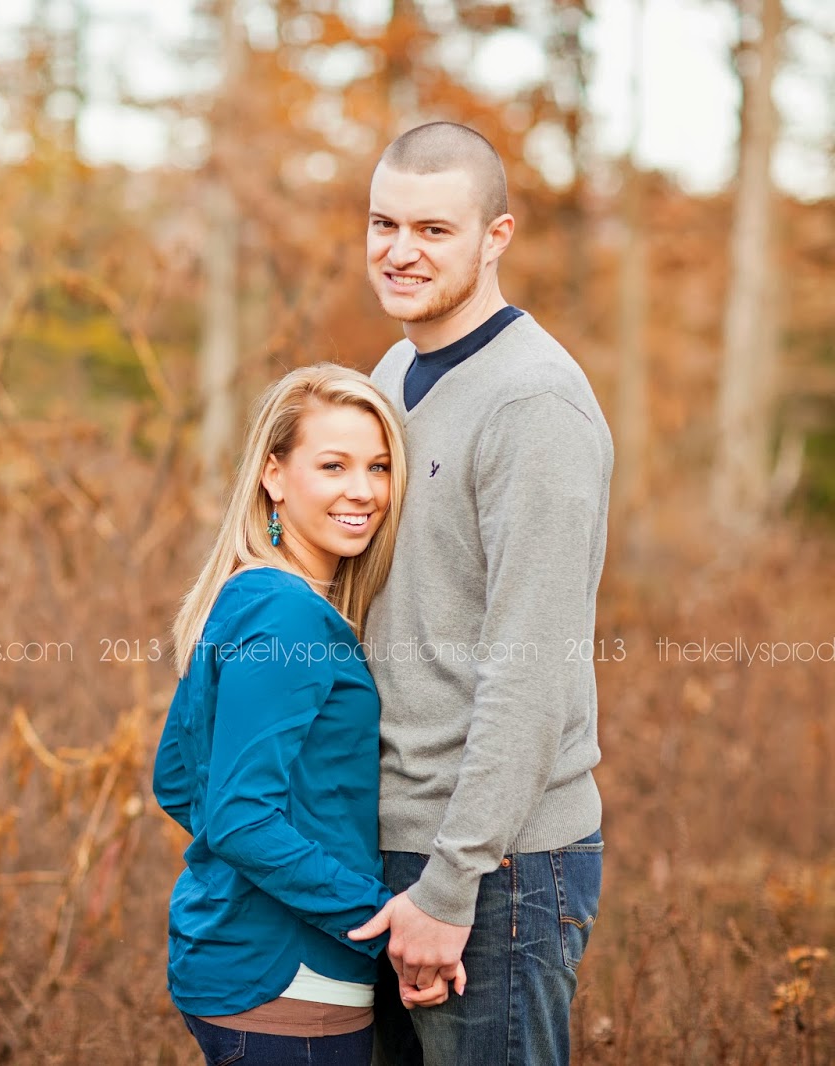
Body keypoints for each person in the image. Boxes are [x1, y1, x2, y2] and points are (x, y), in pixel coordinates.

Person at [343, 121, 613, 1066]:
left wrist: (451, 885)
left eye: (433, 229)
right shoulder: (392, 374)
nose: (400, 251)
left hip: (496, 869)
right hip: (394, 847)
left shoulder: (533, 405)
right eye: (384, 223)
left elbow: (530, 672)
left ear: (497, 236)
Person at [153, 364, 449, 1066]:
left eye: (379, 466)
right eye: (333, 465)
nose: (364, 490)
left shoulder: (249, 594)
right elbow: (239, 816)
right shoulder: (288, 615)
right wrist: (385, 924)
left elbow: (178, 779)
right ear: (274, 475)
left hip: (244, 963)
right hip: (288, 980)